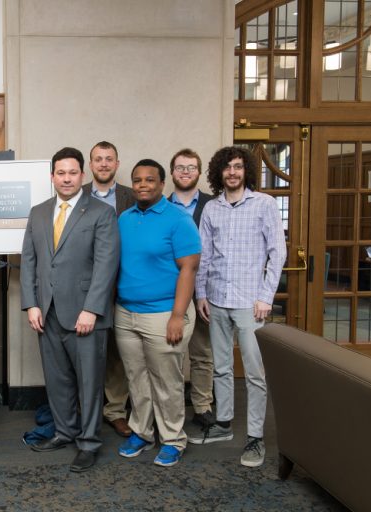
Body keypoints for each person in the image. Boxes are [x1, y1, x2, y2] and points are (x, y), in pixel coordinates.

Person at [20, 146, 120, 473]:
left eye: (72, 172)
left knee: (89, 382)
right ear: (52, 177)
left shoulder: (101, 213)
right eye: (60, 173)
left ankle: (89, 442)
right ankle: (64, 432)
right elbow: (29, 262)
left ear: (83, 175)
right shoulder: (38, 212)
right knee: (57, 380)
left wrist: (92, 309)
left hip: (84, 315)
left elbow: (107, 264)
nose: (66, 178)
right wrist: (31, 304)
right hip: (46, 313)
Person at [189, 146, 286, 468]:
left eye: (238, 167)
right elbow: (202, 255)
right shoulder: (212, 209)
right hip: (216, 299)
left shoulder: (264, 205)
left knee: (255, 374)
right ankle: (224, 424)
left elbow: (278, 253)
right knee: (221, 367)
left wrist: (265, 297)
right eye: (227, 168)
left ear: (247, 171)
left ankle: (256, 438)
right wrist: (201, 293)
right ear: (219, 173)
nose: (232, 173)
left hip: (249, 304)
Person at [115, 159, 201, 467]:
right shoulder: (124, 218)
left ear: (162, 184)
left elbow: (189, 269)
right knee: (136, 378)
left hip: (164, 314)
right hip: (125, 314)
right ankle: (141, 431)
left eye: (149, 179)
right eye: (137, 180)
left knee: (166, 381)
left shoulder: (178, 220)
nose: (142, 184)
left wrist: (178, 316)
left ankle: (173, 438)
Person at [82, 140, 136, 437]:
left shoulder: (131, 197)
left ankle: (115, 410)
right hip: (84, 286)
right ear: (90, 165)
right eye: (98, 159)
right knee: (85, 350)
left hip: (122, 284)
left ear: (117, 164)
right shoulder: (76, 196)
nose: (103, 164)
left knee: (117, 350)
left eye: (109, 159)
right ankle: (85, 409)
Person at [167, 148, 216, 429]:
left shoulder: (213, 205)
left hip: (204, 292)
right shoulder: (161, 206)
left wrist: (204, 293)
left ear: (199, 172)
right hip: (171, 292)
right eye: (180, 167)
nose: (185, 172)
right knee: (170, 353)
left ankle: (202, 405)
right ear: (171, 172)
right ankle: (170, 408)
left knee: (202, 352)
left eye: (191, 167)